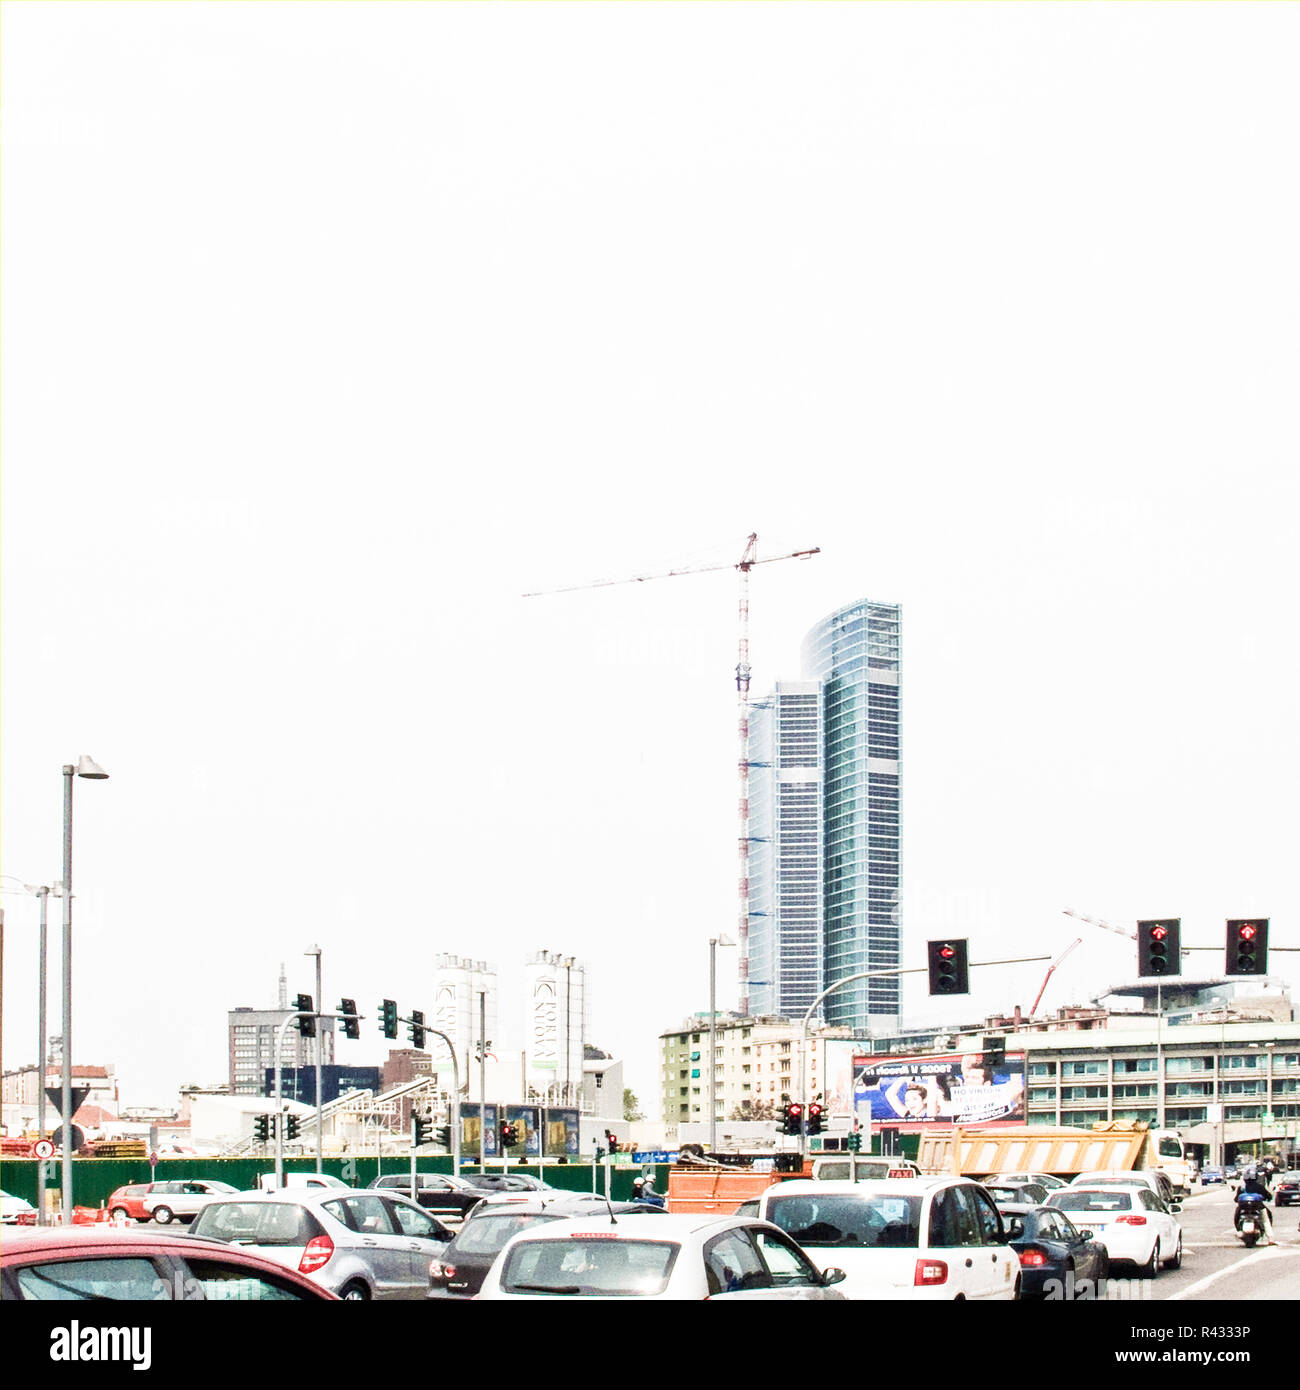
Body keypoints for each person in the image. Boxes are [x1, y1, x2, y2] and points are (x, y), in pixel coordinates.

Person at [1234, 1164, 1273, 1242]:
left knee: (1237, 1216)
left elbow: (1236, 1199)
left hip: (1243, 1209)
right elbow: (1269, 1196)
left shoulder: (1242, 1188)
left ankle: (1238, 1229)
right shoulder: (1259, 1187)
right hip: (1258, 1207)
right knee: (1266, 1219)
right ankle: (1270, 1239)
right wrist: (1267, 1198)